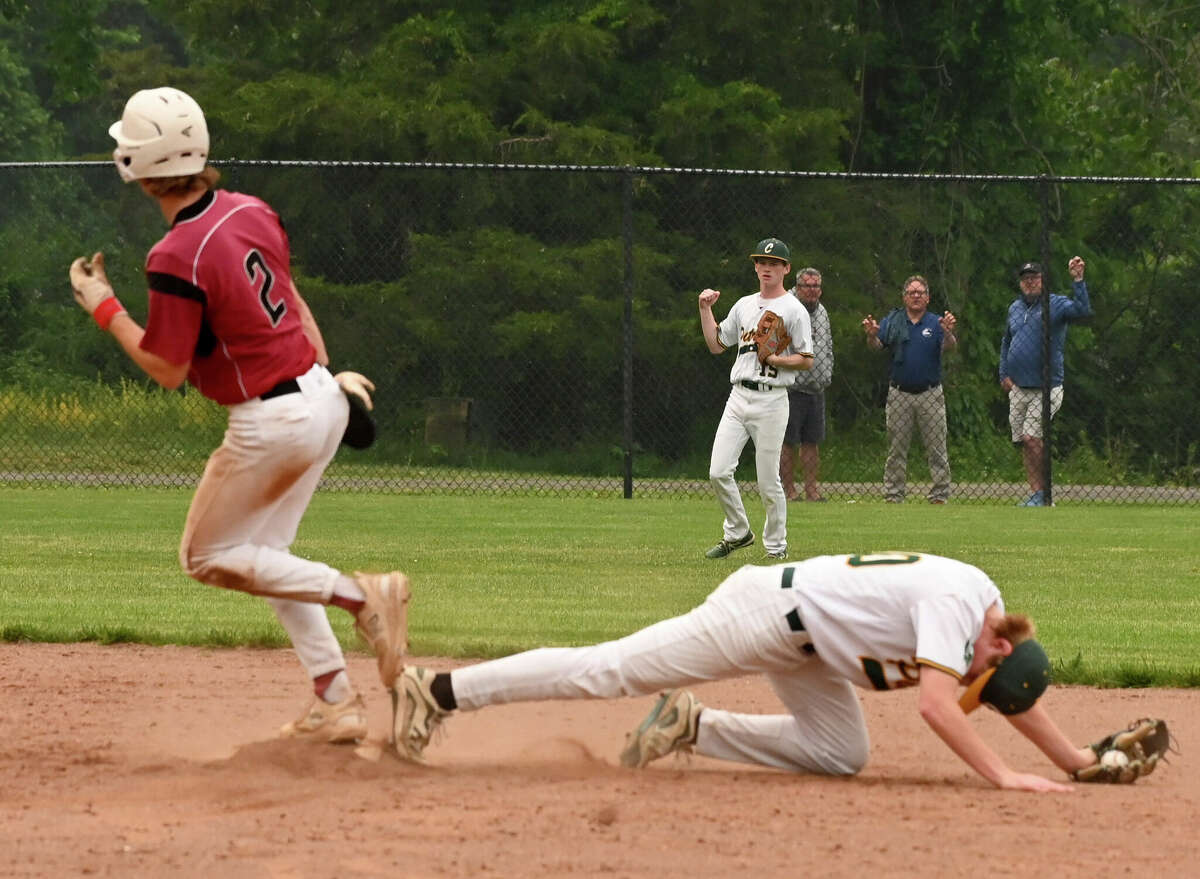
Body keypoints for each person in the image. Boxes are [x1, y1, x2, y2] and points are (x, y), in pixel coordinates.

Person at [67, 87, 409, 745]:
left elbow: (167, 368)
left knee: (205, 555)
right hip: (319, 394)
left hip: (270, 425)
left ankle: (363, 596)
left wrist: (102, 305)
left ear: (135, 167)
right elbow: (296, 305)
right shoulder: (251, 209)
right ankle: (336, 698)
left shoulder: (174, 256)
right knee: (265, 557)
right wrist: (321, 380)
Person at [390, 551, 1102, 792]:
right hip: (764, 614)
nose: (972, 683)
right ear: (999, 647)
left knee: (841, 752)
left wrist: (1078, 760)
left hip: (810, 647)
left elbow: (1008, 698)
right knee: (609, 669)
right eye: (982, 675)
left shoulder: (989, 616)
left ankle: (692, 725)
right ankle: (442, 689)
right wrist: (1004, 776)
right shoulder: (958, 607)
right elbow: (936, 708)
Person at [696, 238, 814, 561]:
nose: (767, 268)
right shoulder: (745, 305)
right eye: (762, 262)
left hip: (772, 400)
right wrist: (705, 309)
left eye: (775, 263)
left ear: (786, 269)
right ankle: (738, 531)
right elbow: (717, 344)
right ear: (755, 266)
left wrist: (779, 361)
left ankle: (776, 547)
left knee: (768, 481)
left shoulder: (794, 310)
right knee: (718, 471)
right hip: (739, 396)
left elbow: (806, 358)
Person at [999, 258, 1092, 506]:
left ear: (1042, 280)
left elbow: (1082, 311)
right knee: (1023, 440)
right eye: (1025, 278)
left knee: (1032, 437)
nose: (1030, 282)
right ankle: (1037, 493)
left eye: (1034, 278)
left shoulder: (1056, 304)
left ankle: (1045, 493)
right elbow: (1007, 341)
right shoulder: (1015, 308)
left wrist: (1078, 280)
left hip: (1047, 386)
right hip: (1019, 386)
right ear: (1021, 282)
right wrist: (1003, 374)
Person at [862, 276, 957, 504]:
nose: (916, 296)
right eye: (911, 292)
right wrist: (872, 336)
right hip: (899, 394)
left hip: (930, 394)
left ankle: (940, 495)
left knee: (936, 447)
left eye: (920, 292)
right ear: (904, 297)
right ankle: (894, 494)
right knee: (897, 448)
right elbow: (876, 346)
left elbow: (949, 347)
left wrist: (948, 333)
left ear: (928, 297)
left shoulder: (936, 322)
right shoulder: (892, 321)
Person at [779, 267, 833, 502]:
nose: (812, 291)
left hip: (816, 387)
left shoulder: (822, 312)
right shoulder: (786, 308)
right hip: (791, 388)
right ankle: (788, 490)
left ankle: (812, 490)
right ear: (798, 287)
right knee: (788, 441)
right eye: (807, 286)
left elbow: (828, 345)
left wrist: (827, 370)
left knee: (812, 441)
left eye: (816, 286)